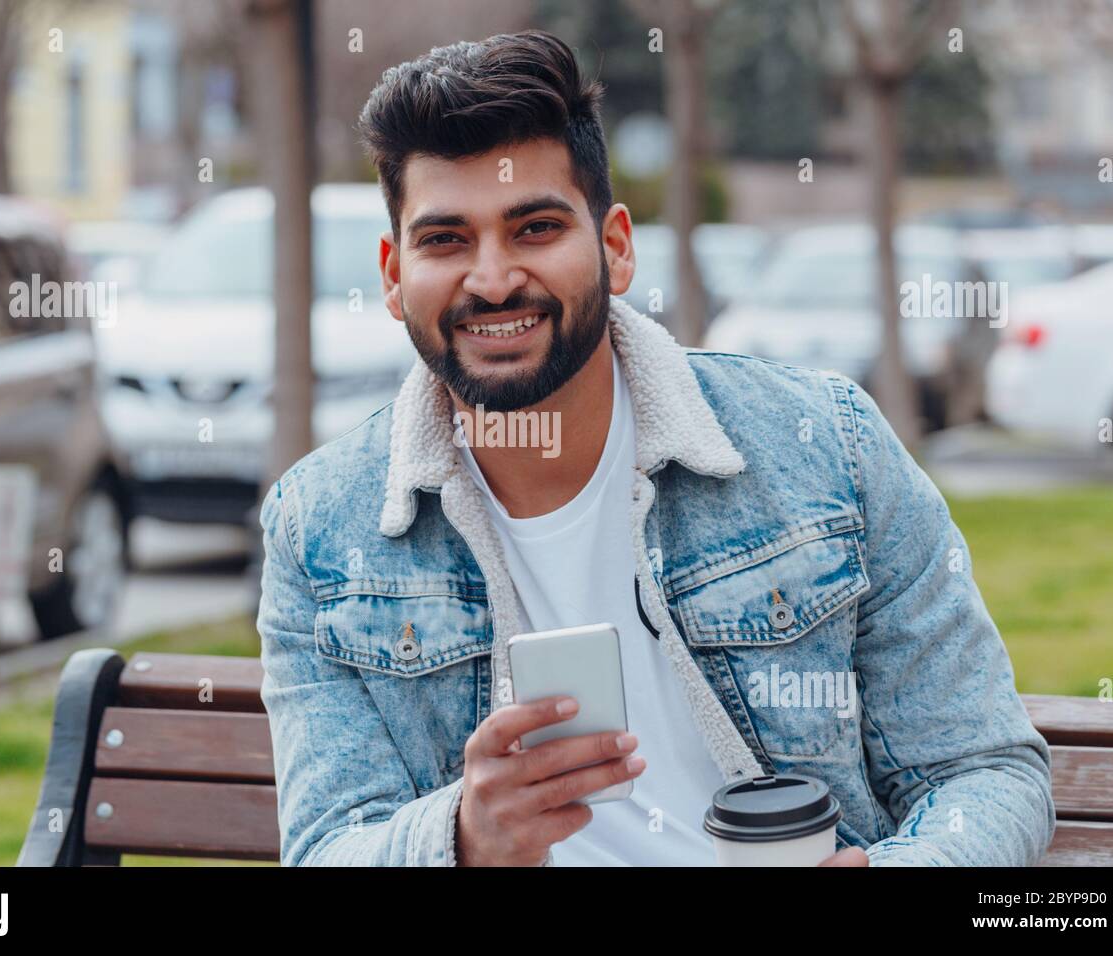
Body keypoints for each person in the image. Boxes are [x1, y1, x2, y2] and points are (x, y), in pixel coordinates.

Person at [256, 29, 1054, 866]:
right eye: (445, 240)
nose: (491, 280)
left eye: (534, 227)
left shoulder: (828, 450)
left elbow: (984, 769)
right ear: (392, 275)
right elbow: (326, 848)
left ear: (616, 247)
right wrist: (461, 840)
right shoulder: (320, 530)